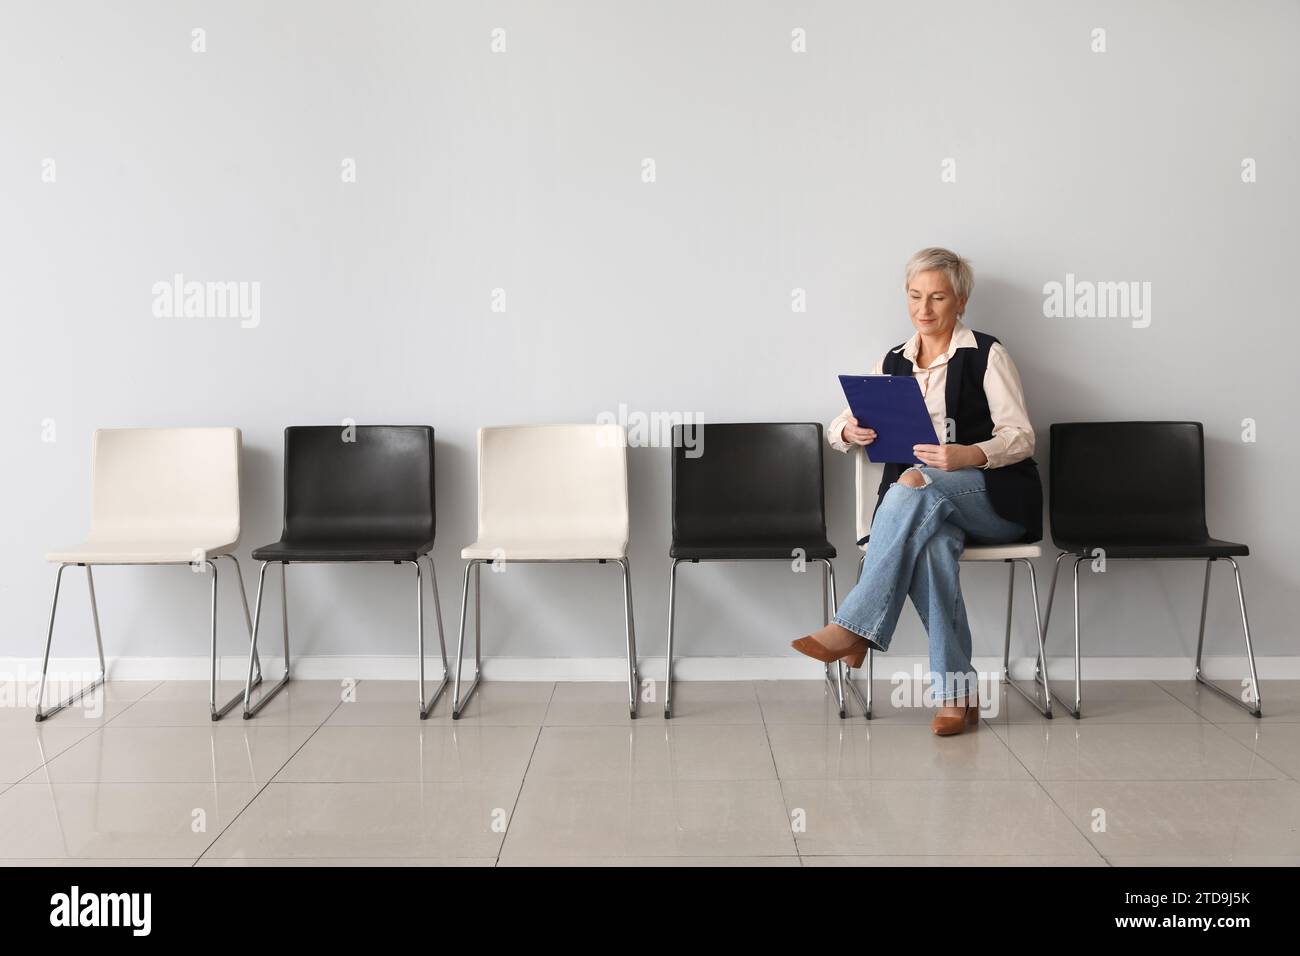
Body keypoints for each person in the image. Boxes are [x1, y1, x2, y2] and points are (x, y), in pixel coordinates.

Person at [792, 247, 1042, 736]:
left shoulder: (987, 354)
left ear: (960, 301)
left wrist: (969, 455)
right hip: (923, 513)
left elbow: (1023, 436)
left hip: (996, 502)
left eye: (937, 298)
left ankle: (854, 626)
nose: (924, 309)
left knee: (914, 480)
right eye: (914, 296)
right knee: (930, 545)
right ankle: (957, 696)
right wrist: (849, 433)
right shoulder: (893, 360)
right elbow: (839, 424)